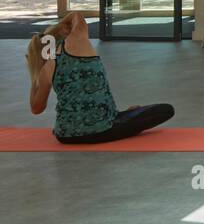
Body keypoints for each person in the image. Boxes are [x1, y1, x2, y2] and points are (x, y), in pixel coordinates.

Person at [27, 12, 174, 144]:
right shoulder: (75, 42)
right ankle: (118, 119)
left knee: (130, 113)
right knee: (166, 110)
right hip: (103, 130)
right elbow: (77, 16)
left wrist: (35, 80)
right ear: (63, 34)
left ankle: (117, 116)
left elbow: (36, 108)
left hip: (65, 135)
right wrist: (61, 23)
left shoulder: (45, 70)